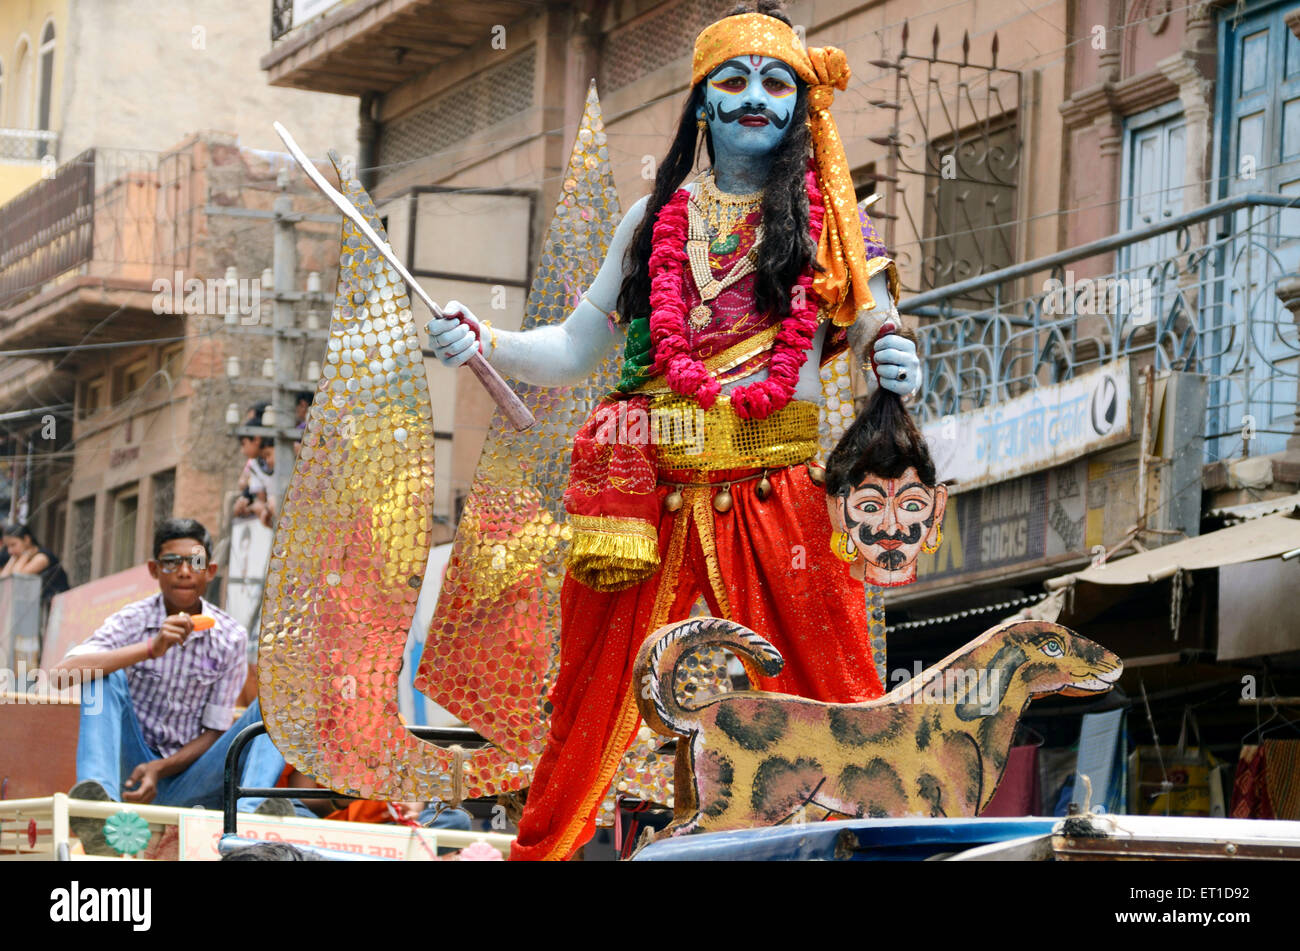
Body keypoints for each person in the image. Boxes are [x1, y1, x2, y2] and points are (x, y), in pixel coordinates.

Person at [425, 2, 924, 860]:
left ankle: (885, 850)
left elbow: (878, 323)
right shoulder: (649, 222)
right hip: (643, 504)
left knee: (838, 695)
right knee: (586, 699)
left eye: (777, 83)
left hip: (779, 493)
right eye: (734, 81)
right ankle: (540, 852)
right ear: (703, 105)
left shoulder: (828, 220)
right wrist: (486, 340)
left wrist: (898, 355)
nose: (756, 98)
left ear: (800, 107)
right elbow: (574, 348)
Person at [54, 517, 290, 854]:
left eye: (194, 562)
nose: (183, 571)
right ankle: (97, 813)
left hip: (190, 778)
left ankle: (249, 819)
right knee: (101, 672)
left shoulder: (230, 637)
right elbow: (63, 675)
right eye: (171, 562)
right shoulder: (132, 620)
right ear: (154, 570)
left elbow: (214, 731)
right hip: (130, 774)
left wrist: (160, 768)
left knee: (274, 697)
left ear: (209, 570)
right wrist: (151, 647)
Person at [0, 521, 70, 612]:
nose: (10, 550)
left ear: (26, 539)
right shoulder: (19, 558)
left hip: (57, 607)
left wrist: (25, 555)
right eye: (8, 547)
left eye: (13, 545)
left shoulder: (42, 557)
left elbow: (18, 577)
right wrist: (13, 558)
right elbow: (3, 579)